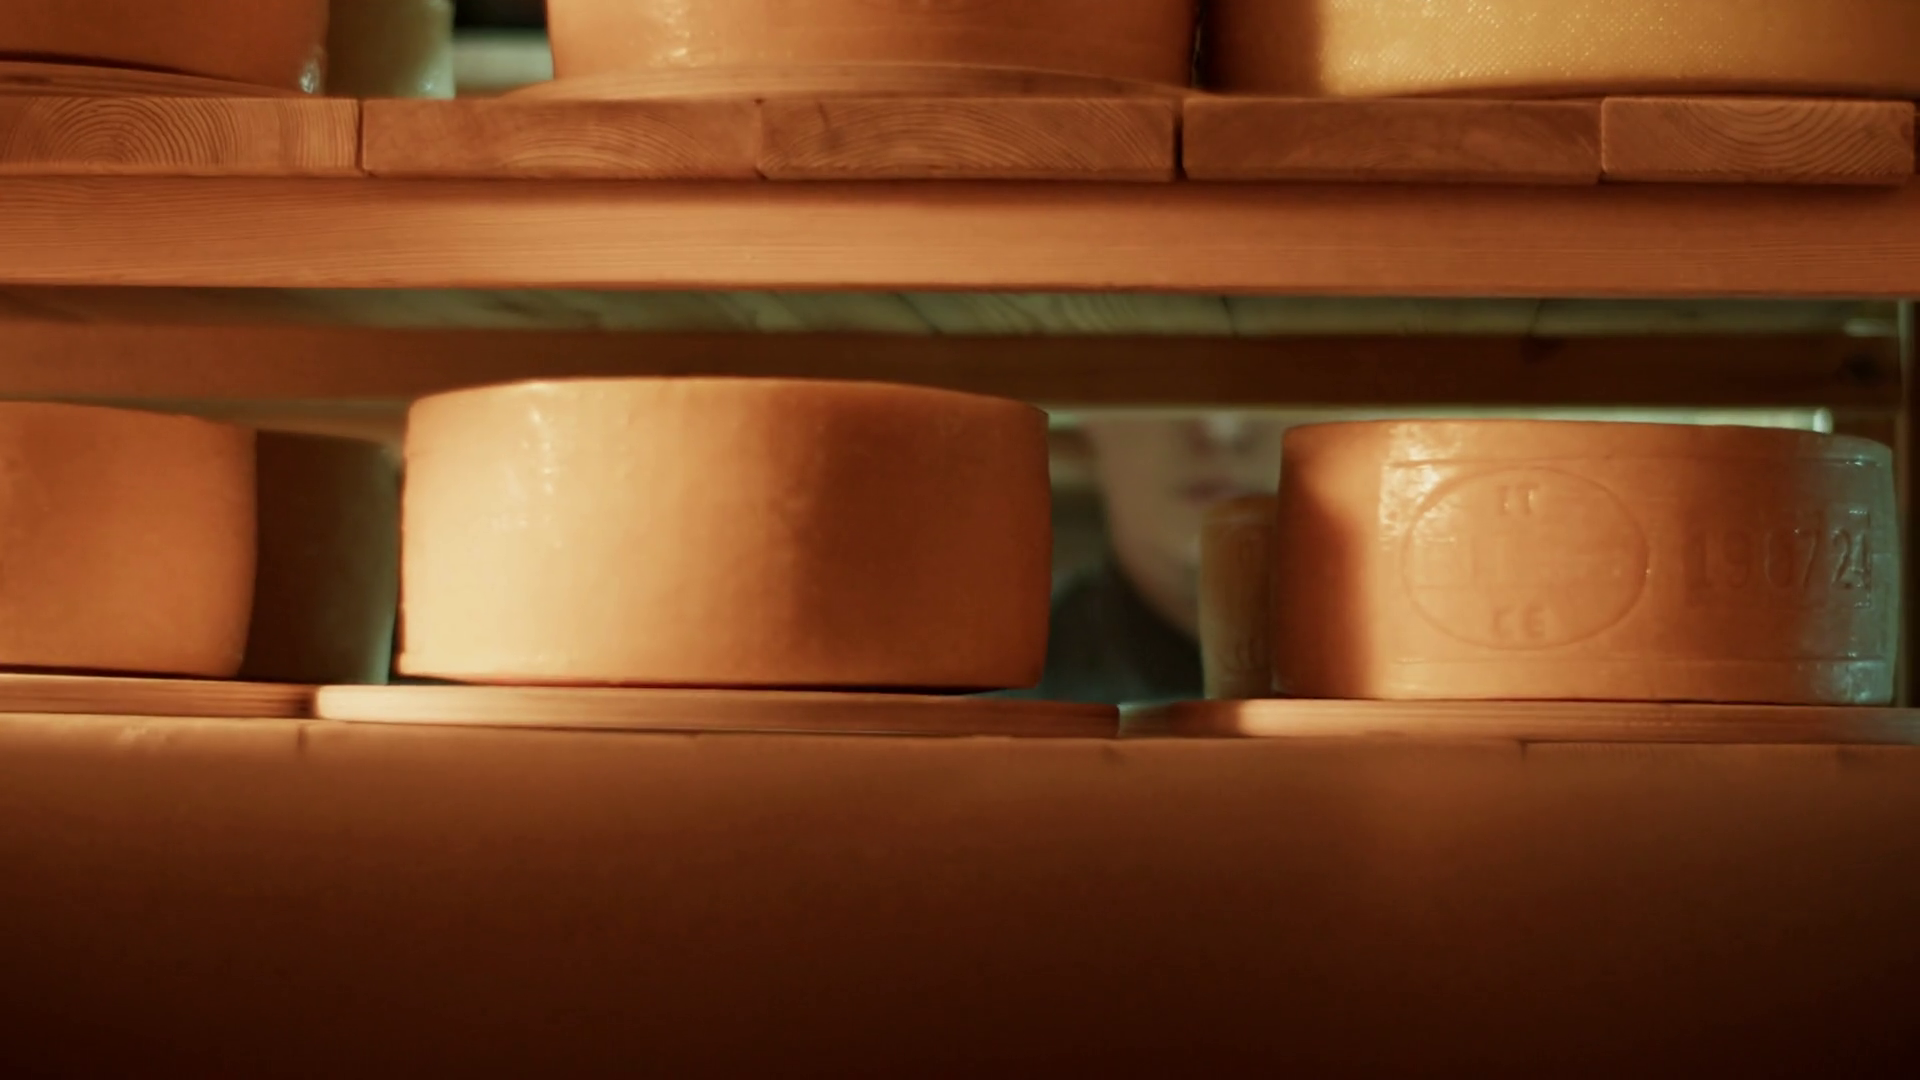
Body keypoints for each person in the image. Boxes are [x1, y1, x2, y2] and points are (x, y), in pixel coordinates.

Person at [1003, 412, 1287, 705]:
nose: (1220, 428)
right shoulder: (992, 699)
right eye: (1168, 387)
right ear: (1089, 418)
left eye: (1268, 386)